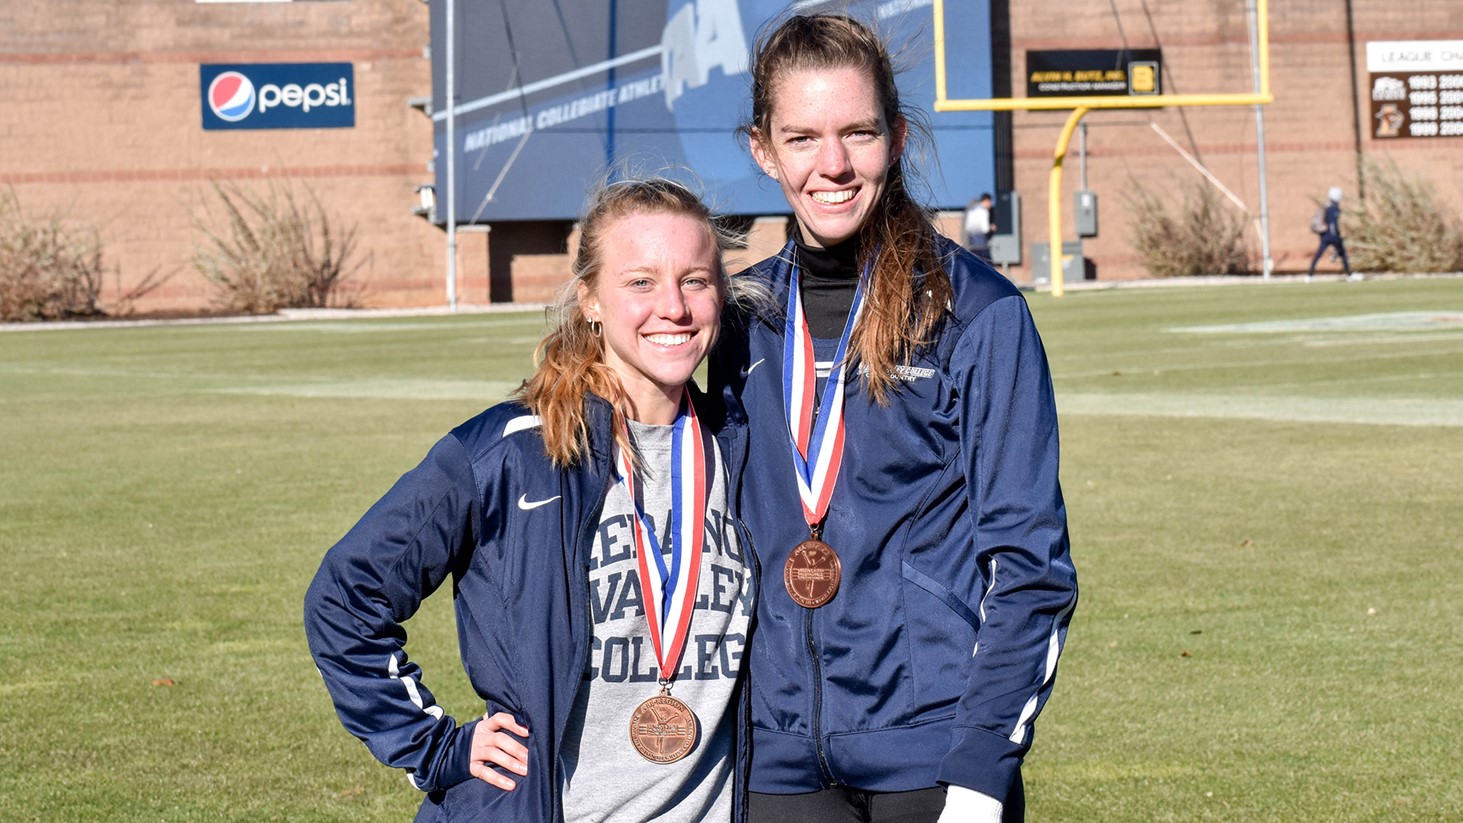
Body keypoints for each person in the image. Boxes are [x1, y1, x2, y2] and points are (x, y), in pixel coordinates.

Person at [305, 177, 765, 822]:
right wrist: (433, 747)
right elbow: (345, 597)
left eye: (695, 280)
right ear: (591, 300)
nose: (674, 307)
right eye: (640, 282)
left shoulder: (747, 451)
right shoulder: (508, 452)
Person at [711, 13, 1077, 823]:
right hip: (775, 759)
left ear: (897, 137)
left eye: (858, 132)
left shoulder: (977, 314)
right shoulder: (742, 319)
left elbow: (1030, 567)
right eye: (801, 138)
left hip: (932, 756)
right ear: (762, 149)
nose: (832, 164)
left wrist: (981, 770)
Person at [1307, 186, 1355, 280]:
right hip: (1332, 235)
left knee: (1318, 254)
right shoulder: (1334, 208)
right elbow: (1333, 224)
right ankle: (1349, 274)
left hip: (1325, 236)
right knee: (1343, 254)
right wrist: (1336, 235)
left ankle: (1309, 275)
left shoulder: (1326, 206)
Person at [964, 192, 996, 261]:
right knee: (987, 266)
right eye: (990, 202)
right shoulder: (984, 212)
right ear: (986, 201)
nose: (990, 205)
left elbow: (967, 228)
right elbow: (985, 229)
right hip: (982, 245)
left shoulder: (972, 211)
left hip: (972, 245)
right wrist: (991, 228)